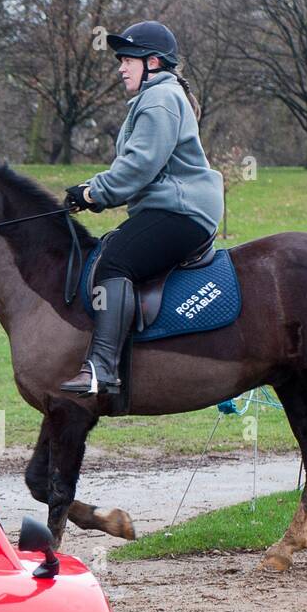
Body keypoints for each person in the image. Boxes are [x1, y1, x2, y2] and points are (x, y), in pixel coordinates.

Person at [61, 20, 225, 395]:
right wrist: (92, 188)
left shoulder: (160, 98)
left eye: (127, 60)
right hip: (174, 208)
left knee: (115, 261)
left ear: (152, 62)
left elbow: (139, 165)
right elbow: (137, 165)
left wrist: (93, 194)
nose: (121, 68)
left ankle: (103, 368)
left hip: (181, 211)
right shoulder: (157, 98)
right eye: (120, 60)